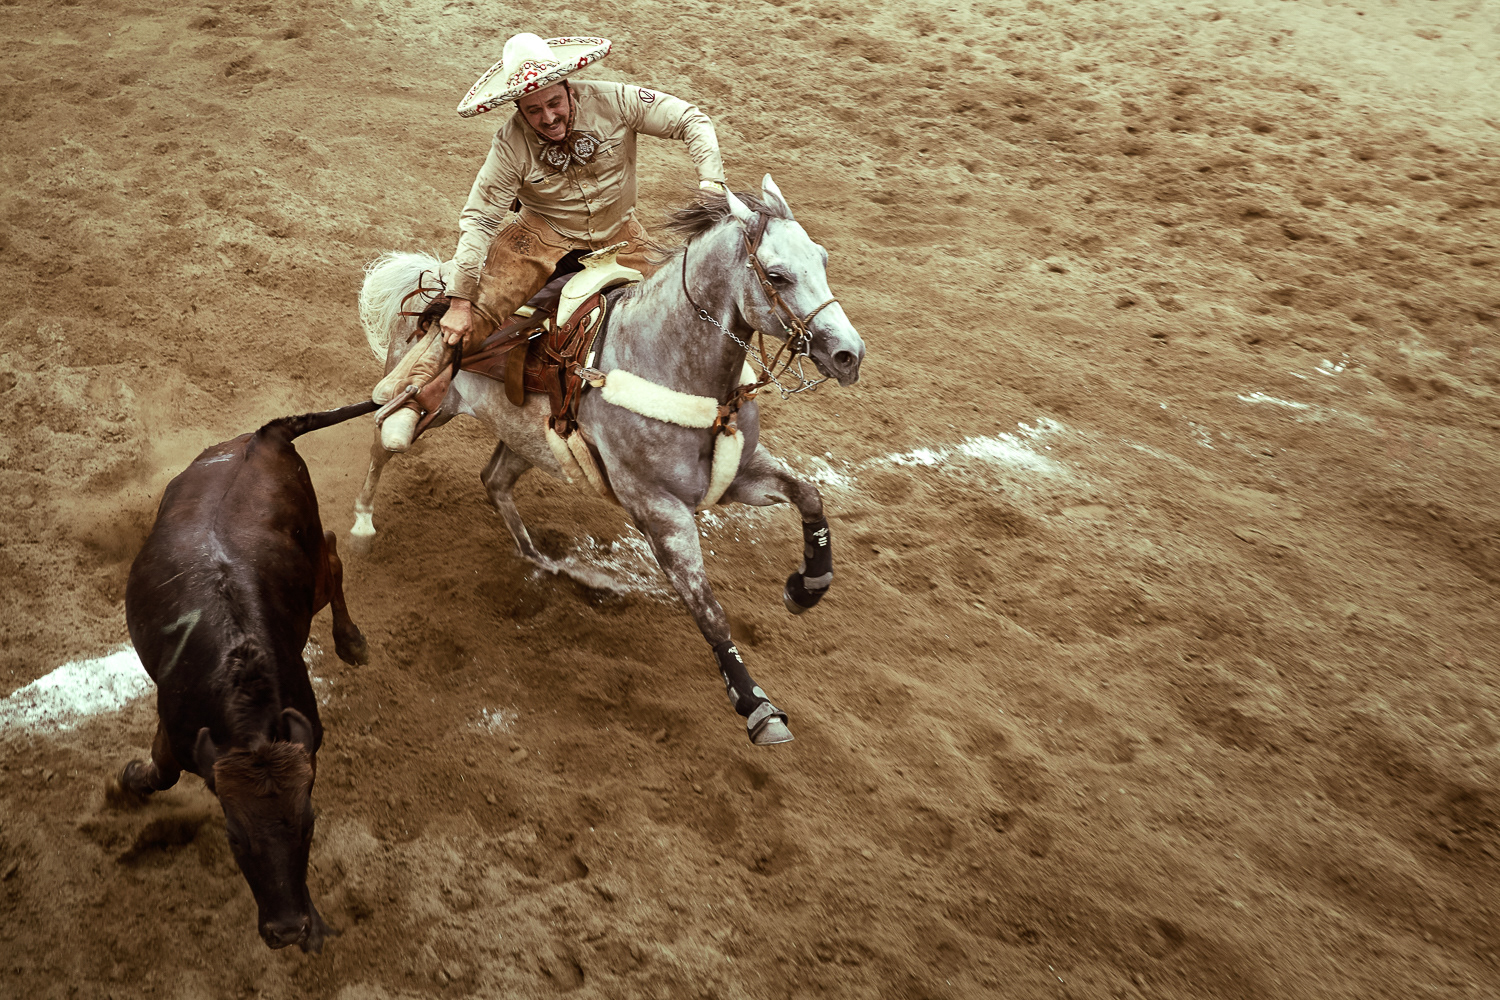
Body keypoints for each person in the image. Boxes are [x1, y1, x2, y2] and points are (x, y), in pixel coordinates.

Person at [374, 32, 729, 451]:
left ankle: (714, 391)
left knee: (689, 302)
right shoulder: (508, 146)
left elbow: (690, 118)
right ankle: (412, 395)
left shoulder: (615, 100)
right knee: (473, 316)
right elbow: (479, 218)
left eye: (554, 103)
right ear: (518, 109)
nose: (547, 117)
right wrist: (460, 301)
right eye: (533, 110)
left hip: (622, 236)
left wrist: (712, 182)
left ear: (568, 87)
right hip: (538, 239)